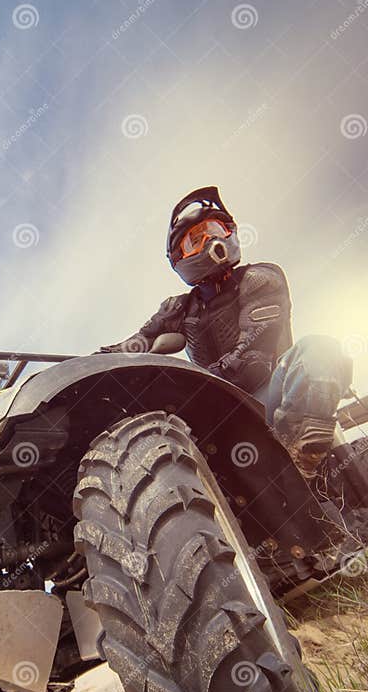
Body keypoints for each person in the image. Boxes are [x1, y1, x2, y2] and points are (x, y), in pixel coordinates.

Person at [100, 186, 353, 480]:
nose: (209, 240)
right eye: (196, 240)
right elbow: (137, 343)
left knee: (319, 350)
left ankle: (296, 454)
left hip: (271, 398)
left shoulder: (260, 278)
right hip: (217, 412)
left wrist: (193, 384)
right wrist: (96, 361)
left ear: (230, 232)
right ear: (179, 257)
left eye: (214, 229)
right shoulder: (178, 308)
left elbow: (252, 359)